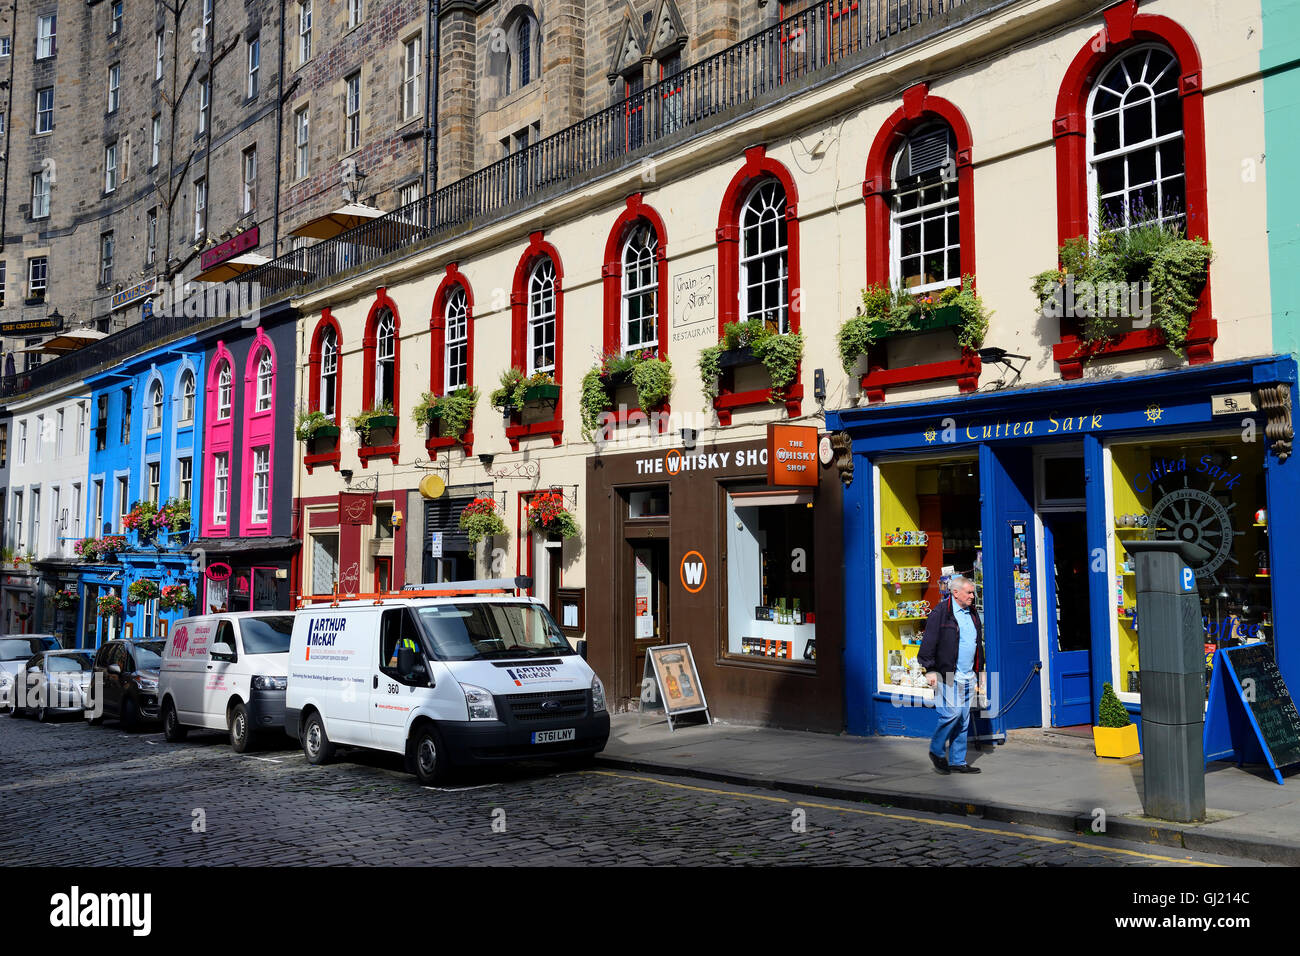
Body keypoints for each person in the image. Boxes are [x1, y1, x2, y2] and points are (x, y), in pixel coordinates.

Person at [917, 575, 984, 775]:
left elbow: (976, 644)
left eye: (973, 592)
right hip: (946, 673)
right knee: (951, 714)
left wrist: (979, 672)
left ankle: (957, 761)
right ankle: (936, 750)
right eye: (969, 592)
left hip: (967, 675)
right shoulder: (941, 613)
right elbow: (928, 643)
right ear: (956, 593)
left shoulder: (972, 613)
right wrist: (929, 669)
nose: (973, 596)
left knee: (963, 719)